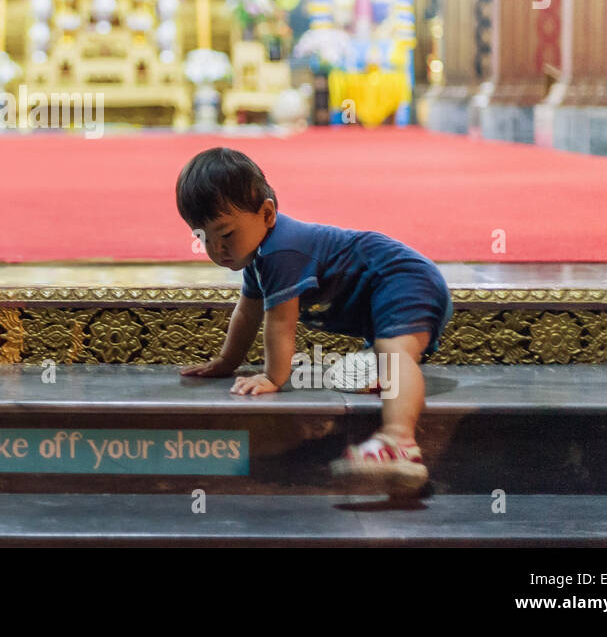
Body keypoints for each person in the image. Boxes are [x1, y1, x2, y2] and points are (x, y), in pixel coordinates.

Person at [174, 146, 453, 495]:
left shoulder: (282, 251)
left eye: (226, 234)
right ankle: (385, 380)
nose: (218, 250)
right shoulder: (258, 257)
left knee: (394, 352)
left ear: (268, 214)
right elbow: (247, 311)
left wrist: (274, 377)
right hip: (377, 300)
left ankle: (399, 442)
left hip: (403, 278)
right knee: (349, 374)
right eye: (204, 238)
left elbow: (280, 322)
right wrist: (226, 362)